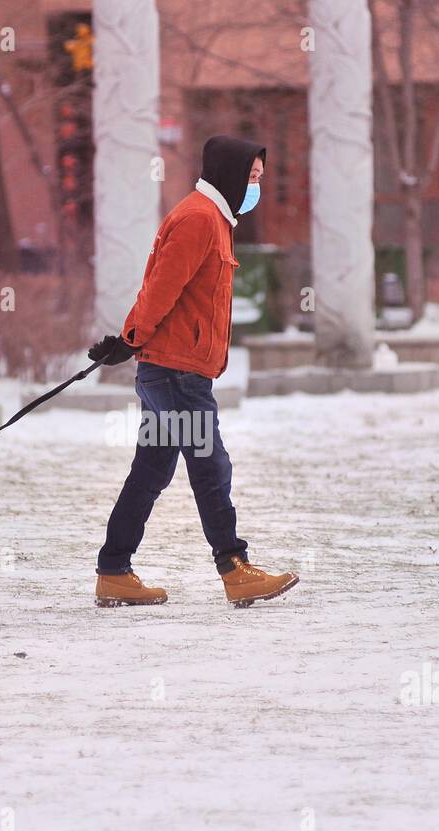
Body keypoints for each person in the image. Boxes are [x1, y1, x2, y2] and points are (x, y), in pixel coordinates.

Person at [88, 135, 300, 609]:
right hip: (175, 372)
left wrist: (131, 342)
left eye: (260, 179)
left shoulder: (214, 220)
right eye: (252, 176)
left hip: (175, 370)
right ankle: (233, 567)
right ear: (229, 171)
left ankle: (114, 571)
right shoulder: (199, 219)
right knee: (210, 466)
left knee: (150, 472)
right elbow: (160, 290)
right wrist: (130, 340)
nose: (257, 186)